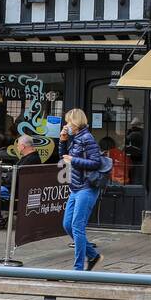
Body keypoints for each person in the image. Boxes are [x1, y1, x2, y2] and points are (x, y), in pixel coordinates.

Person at [59, 108, 104, 271]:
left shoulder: (87, 138)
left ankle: (77, 269)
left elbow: (96, 162)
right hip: (75, 188)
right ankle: (93, 255)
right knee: (67, 225)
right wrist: (62, 141)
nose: (66, 125)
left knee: (77, 227)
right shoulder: (75, 139)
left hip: (86, 188)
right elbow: (63, 159)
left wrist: (74, 159)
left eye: (68, 122)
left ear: (76, 122)